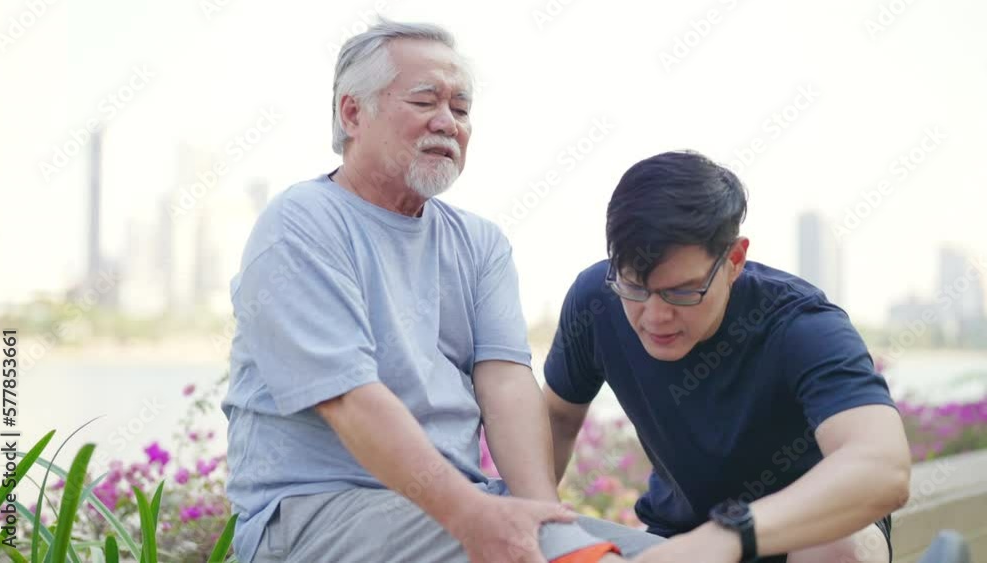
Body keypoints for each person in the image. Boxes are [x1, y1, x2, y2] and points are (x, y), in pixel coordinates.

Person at [221, 18, 662, 563]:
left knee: (671, 555)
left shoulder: (479, 242)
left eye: (461, 108)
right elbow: (350, 399)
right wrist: (477, 519)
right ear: (352, 112)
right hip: (315, 514)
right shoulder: (302, 223)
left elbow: (505, 383)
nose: (447, 122)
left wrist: (543, 516)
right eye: (425, 100)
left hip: (454, 504)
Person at [544, 151, 912, 563]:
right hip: (674, 541)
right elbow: (556, 418)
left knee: (842, 550)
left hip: (806, 536)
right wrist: (533, 525)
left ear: (734, 260)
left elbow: (885, 468)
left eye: (683, 291)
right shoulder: (596, 299)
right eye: (635, 287)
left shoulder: (803, 325)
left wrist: (726, 538)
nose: (656, 316)